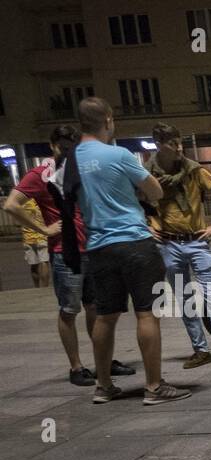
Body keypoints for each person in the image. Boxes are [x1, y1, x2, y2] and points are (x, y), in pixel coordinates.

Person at [63, 97, 189, 405]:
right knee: (148, 312)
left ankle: (103, 385)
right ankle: (154, 386)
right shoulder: (118, 154)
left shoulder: (71, 160)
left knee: (105, 316)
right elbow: (156, 191)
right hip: (135, 242)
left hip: (98, 247)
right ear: (107, 119)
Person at [3, 125, 135, 387]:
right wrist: (43, 229)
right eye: (62, 147)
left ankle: (103, 363)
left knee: (96, 308)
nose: (67, 152)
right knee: (69, 310)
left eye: (71, 147)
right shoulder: (42, 174)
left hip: (95, 247)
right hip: (65, 252)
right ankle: (76, 366)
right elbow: (11, 204)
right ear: (52, 146)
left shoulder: (83, 169)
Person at [146, 124, 211, 370]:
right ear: (158, 144)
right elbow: (139, 202)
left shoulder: (193, 171)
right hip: (168, 244)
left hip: (197, 241)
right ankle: (200, 349)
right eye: (172, 144)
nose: (178, 148)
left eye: (180, 143)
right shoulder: (148, 174)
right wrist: (147, 225)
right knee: (185, 299)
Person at [20, 200, 51, 287]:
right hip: (42, 236)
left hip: (28, 237)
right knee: (44, 262)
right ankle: (45, 287)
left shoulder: (23, 203)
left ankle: (36, 287)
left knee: (33, 264)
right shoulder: (39, 201)